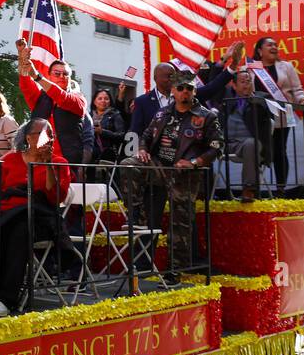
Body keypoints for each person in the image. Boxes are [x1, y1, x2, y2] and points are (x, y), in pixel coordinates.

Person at [0, 118, 73, 316]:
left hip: (37, 216)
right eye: (44, 133)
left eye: (51, 134)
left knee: (18, 231)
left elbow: (56, 198)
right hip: (3, 212)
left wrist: (49, 164)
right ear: (28, 137)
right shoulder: (10, 160)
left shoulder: (59, 162)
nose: (50, 138)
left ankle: (6, 298)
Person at [118, 70, 224, 278]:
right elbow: (146, 135)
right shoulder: (162, 113)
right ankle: (136, 216)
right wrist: (143, 149)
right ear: (173, 91)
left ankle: (175, 270)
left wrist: (195, 162)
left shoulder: (207, 116)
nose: (185, 92)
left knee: (180, 224)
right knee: (129, 165)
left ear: (194, 92)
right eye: (181, 88)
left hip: (185, 174)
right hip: (160, 167)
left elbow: (216, 147)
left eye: (189, 88)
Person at [130, 46, 242, 141]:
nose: (172, 79)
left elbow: (212, 87)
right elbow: (135, 132)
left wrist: (233, 65)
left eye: (173, 75)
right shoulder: (142, 101)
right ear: (156, 78)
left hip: (184, 154)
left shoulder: (186, 94)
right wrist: (139, 152)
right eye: (168, 76)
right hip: (152, 156)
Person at [249, 36, 304, 190]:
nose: (274, 47)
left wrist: (303, 99)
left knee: (280, 151)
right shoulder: (252, 67)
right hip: (258, 115)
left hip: (283, 114)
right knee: (257, 150)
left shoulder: (286, 66)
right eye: (269, 45)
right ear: (259, 50)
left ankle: (280, 189)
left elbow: (297, 89)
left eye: (276, 45)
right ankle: (253, 188)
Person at [17, 46, 88, 164]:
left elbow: (62, 97)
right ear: (49, 76)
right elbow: (25, 83)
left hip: (67, 162)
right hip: (39, 160)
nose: (62, 76)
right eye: (57, 73)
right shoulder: (39, 98)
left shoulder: (78, 99)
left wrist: (36, 76)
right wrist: (22, 59)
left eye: (66, 74)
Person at [220, 70, 274, 203]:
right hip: (226, 144)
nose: (246, 85)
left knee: (251, 144)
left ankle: (248, 190)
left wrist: (255, 100)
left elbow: (269, 114)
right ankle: (201, 192)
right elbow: (213, 82)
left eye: (249, 81)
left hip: (247, 145)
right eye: (242, 82)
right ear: (234, 85)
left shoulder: (261, 99)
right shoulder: (227, 99)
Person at [90, 88, 126, 163]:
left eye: (106, 99)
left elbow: (121, 135)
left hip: (108, 153)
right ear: (94, 102)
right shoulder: (89, 116)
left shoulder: (115, 115)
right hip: (90, 150)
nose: (103, 101)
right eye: (100, 98)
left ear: (110, 102)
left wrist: (102, 132)